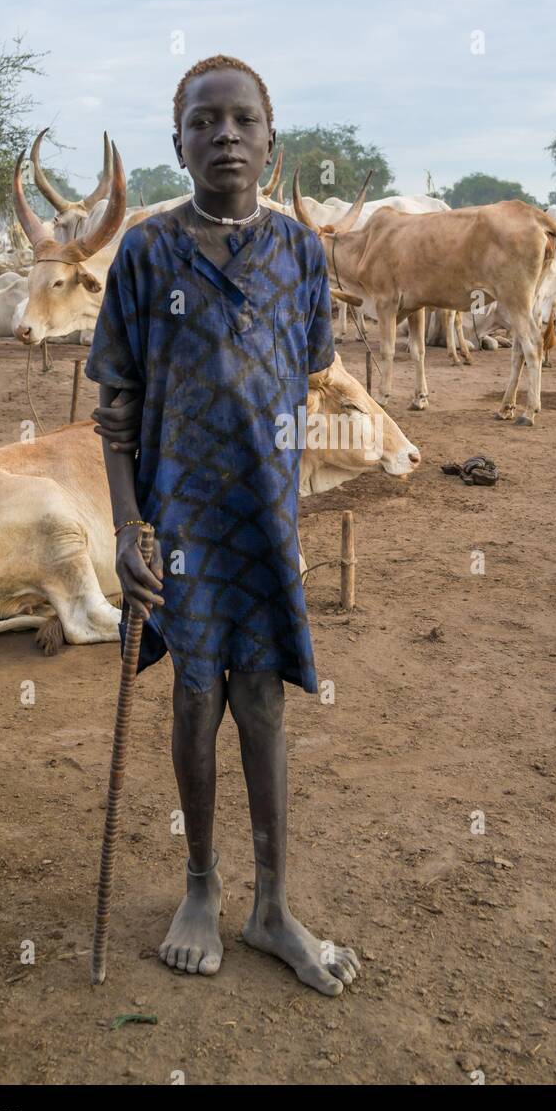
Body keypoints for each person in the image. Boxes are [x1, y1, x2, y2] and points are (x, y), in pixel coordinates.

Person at [84, 55, 360, 996]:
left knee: (265, 700)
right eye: (205, 123)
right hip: (179, 523)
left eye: (244, 121)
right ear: (179, 144)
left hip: (266, 516)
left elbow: (307, 370)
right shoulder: (145, 255)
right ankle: (199, 887)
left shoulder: (300, 254)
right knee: (195, 696)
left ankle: (272, 903)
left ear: (271, 141)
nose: (226, 136)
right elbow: (115, 413)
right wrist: (128, 527)